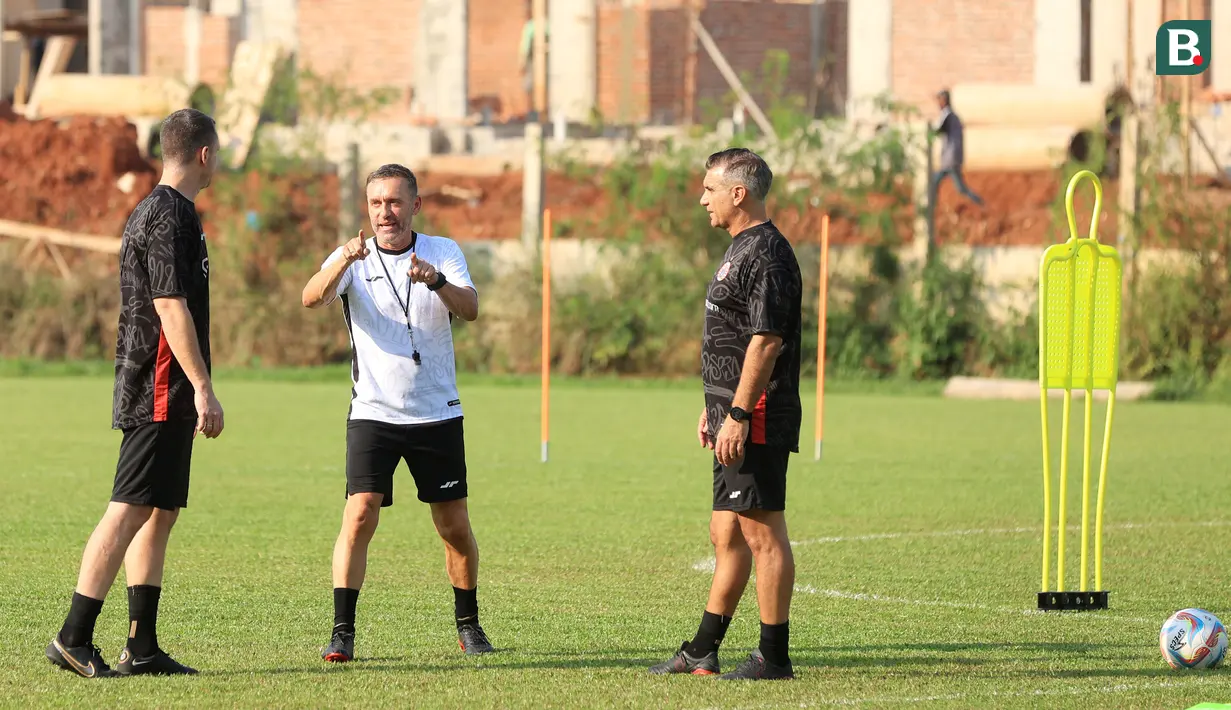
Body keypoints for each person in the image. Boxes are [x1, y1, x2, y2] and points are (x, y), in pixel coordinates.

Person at [46, 108, 223, 678]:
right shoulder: (168, 215)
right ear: (204, 154)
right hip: (160, 385)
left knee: (159, 512)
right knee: (128, 509)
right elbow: (169, 306)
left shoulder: (166, 209)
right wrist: (203, 388)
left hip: (164, 385)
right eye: (217, 154)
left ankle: (141, 647)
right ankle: (72, 636)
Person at [301, 163, 492, 663]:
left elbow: (470, 308)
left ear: (415, 205)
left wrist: (436, 281)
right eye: (376, 203)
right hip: (373, 412)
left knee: (453, 526)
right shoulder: (352, 256)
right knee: (360, 513)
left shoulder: (442, 251)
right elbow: (311, 297)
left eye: (394, 202)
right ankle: (342, 632)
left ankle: (468, 624)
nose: (385, 212)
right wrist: (344, 259)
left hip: (436, 412)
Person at [649, 148, 802, 681]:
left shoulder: (768, 254)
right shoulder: (740, 248)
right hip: (730, 414)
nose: (702, 199)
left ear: (739, 193)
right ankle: (702, 651)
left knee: (762, 533)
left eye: (710, 189)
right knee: (726, 533)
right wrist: (713, 406)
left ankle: (774, 658)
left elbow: (766, 341)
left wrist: (737, 412)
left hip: (755, 416)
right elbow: (734, 338)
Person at [930, 89, 984, 209]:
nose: (938, 103)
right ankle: (979, 203)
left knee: (938, 182)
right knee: (956, 187)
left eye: (939, 100)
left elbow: (938, 130)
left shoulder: (948, 116)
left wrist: (928, 131)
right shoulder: (951, 116)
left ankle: (931, 207)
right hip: (952, 158)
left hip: (950, 159)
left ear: (944, 100)